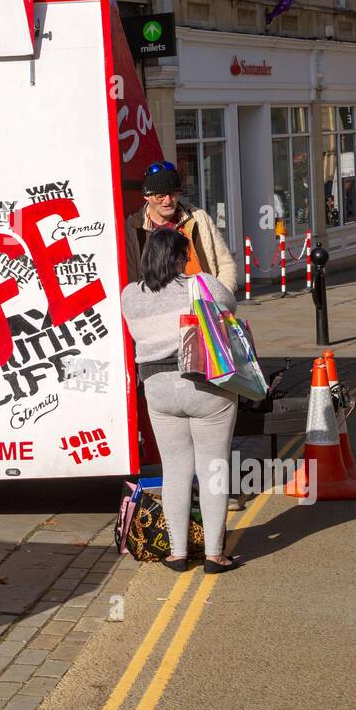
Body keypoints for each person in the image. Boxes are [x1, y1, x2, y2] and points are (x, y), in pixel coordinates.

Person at [121, 227, 240, 574]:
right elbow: (229, 304)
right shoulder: (199, 284)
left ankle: (177, 553)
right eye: (185, 256)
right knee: (212, 468)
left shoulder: (130, 295)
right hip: (202, 385)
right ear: (178, 259)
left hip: (157, 388)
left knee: (174, 469)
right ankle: (215, 555)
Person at [124, 161, 237, 292]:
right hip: (159, 309)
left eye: (173, 194)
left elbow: (226, 265)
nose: (167, 200)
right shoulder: (133, 229)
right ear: (146, 196)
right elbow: (131, 282)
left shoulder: (199, 218)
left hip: (203, 305)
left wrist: (219, 298)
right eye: (160, 196)